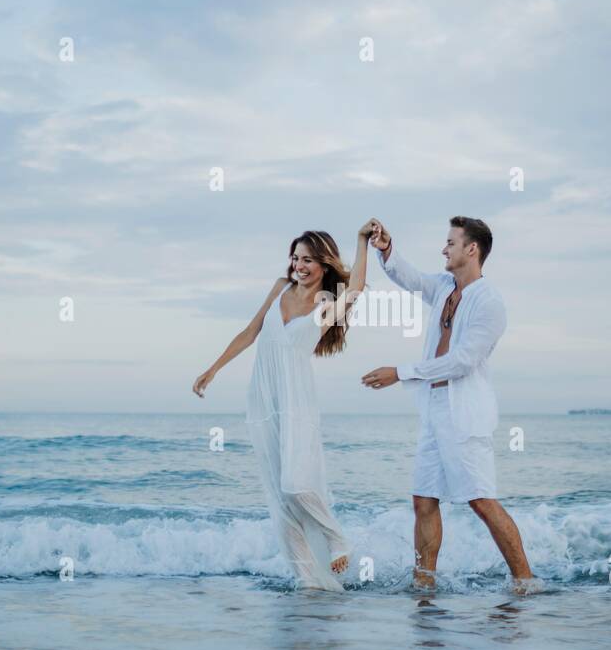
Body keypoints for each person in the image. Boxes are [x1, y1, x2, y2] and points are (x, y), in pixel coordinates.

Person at [361, 216, 538, 593]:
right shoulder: (444, 286)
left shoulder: (490, 302)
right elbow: (410, 278)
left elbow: (463, 361)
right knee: (423, 500)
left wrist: (400, 371)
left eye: (451, 243)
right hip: (433, 408)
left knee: (481, 501)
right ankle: (423, 583)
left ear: (471, 249)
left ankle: (526, 581)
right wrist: (386, 248)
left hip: (465, 414)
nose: (444, 249)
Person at [194, 224, 372, 591]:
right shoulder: (280, 289)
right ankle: (308, 580)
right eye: (295, 257)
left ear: (324, 264)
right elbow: (249, 332)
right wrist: (213, 369)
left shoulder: (325, 304)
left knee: (294, 484)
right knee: (280, 500)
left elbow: (354, 288)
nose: (299, 265)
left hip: (297, 402)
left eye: (307, 259)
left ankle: (338, 538)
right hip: (264, 398)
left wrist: (360, 240)